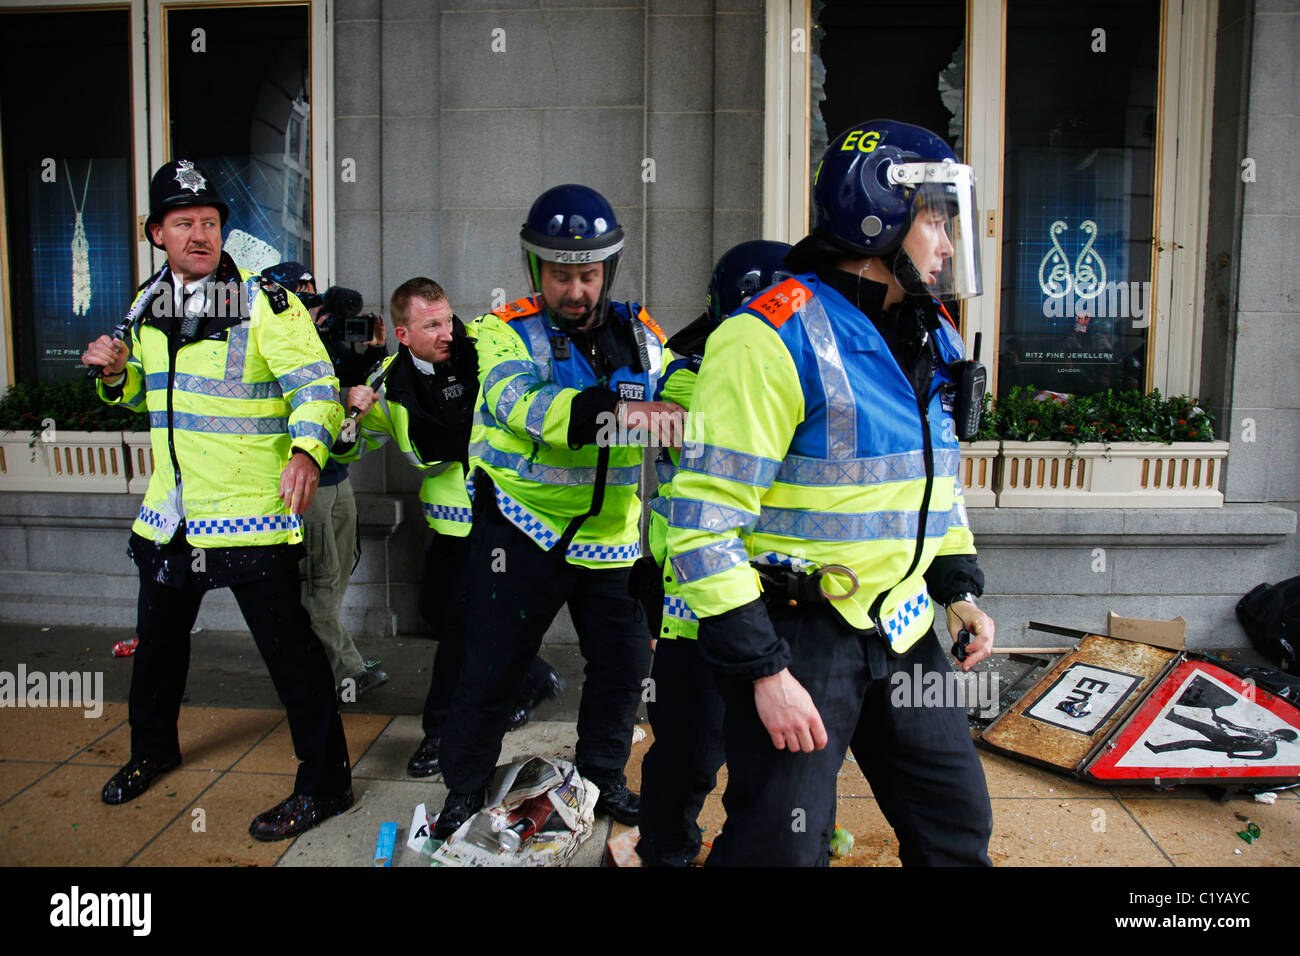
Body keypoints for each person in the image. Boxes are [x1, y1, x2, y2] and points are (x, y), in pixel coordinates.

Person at [666, 120, 996, 866]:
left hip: (908, 631)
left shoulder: (931, 331)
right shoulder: (767, 338)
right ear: (877, 216)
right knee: (776, 848)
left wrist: (958, 587)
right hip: (800, 636)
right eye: (936, 219)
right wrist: (763, 672)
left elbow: (931, 480)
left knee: (958, 826)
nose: (947, 243)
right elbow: (701, 525)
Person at [80, 159, 352, 841]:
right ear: (157, 233)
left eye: (209, 222)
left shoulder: (265, 303)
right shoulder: (146, 305)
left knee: (291, 655)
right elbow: (139, 392)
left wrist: (306, 452)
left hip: (251, 516)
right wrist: (113, 375)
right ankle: (152, 750)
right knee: (158, 647)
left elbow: (318, 387)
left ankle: (326, 784)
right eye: (184, 223)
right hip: (171, 514)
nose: (200, 234)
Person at [433, 184, 684, 838]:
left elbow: (679, 407)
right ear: (535, 268)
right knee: (492, 664)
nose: (576, 290)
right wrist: (619, 411)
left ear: (609, 271)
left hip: (610, 541)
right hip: (522, 529)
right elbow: (525, 407)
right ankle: (463, 788)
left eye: (589, 275)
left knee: (625, 667)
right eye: (562, 275)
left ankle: (603, 780)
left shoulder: (642, 333)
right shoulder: (500, 331)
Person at [334, 276, 564, 779]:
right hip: (452, 524)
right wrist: (350, 414)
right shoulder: (389, 384)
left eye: (447, 320)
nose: (445, 333)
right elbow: (348, 447)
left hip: (504, 517)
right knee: (444, 612)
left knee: (464, 625)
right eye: (430, 325)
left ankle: (442, 732)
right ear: (403, 333)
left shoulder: (484, 352)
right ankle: (528, 678)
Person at [635, 240, 792, 867]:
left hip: (767, 606)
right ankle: (666, 854)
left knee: (775, 758)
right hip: (696, 607)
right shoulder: (691, 375)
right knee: (687, 756)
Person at [262, 263, 389, 701]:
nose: (316, 309)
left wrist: (372, 353)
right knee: (318, 579)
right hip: (304, 479)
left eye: (316, 299)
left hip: (337, 474)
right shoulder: (274, 345)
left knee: (335, 575)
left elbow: (352, 396)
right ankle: (347, 670)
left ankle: (318, 663)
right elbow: (296, 405)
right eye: (306, 300)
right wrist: (339, 397)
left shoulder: (326, 341)